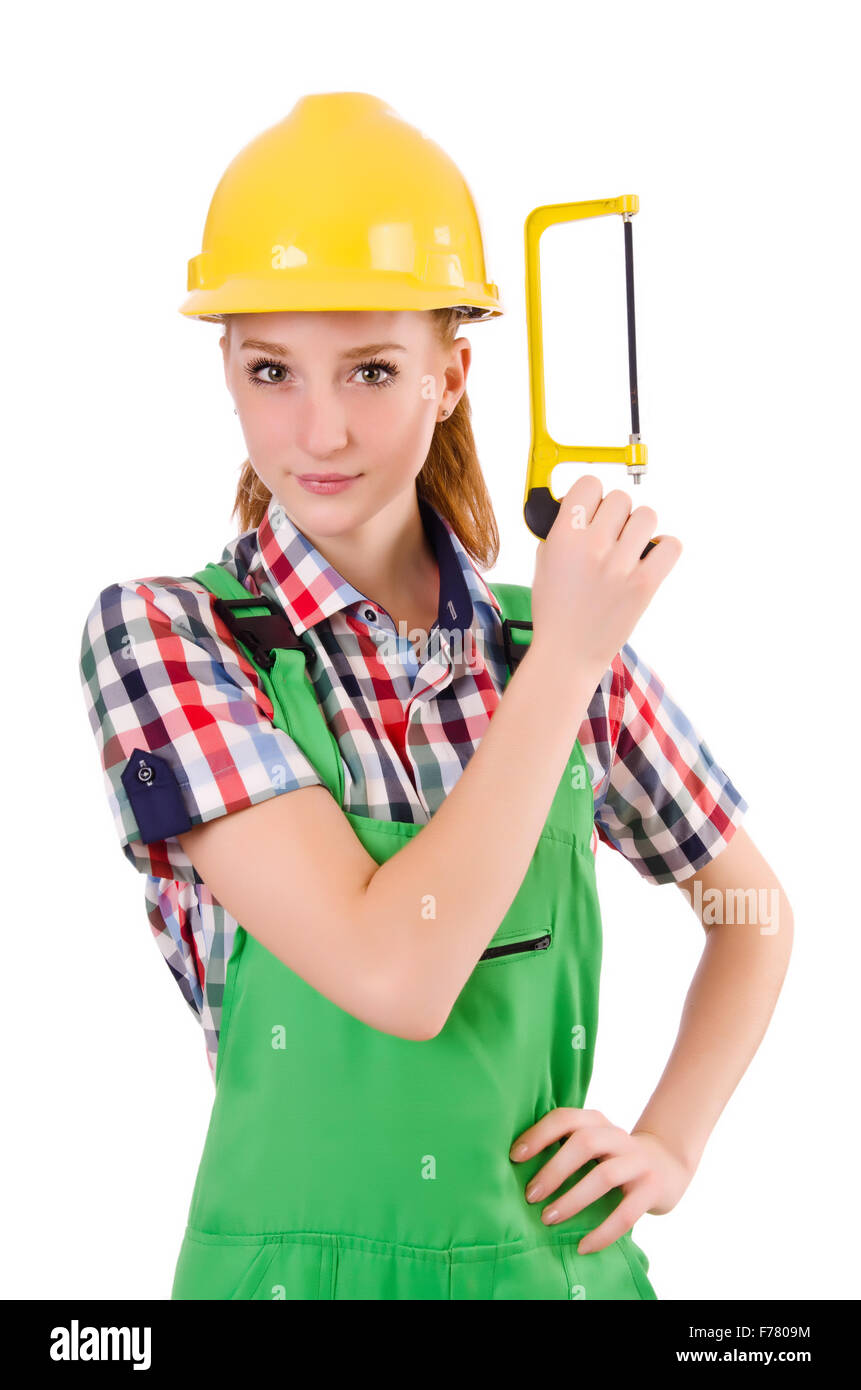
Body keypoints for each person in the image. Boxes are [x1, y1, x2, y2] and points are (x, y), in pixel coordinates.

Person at [78, 92, 791, 1301]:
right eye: (271, 370)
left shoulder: (553, 638)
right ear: (227, 374)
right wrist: (566, 666)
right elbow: (393, 975)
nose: (320, 427)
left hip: (546, 1273)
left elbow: (757, 915)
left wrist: (671, 1142)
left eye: (371, 368)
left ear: (451, 375)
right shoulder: (167, 636)